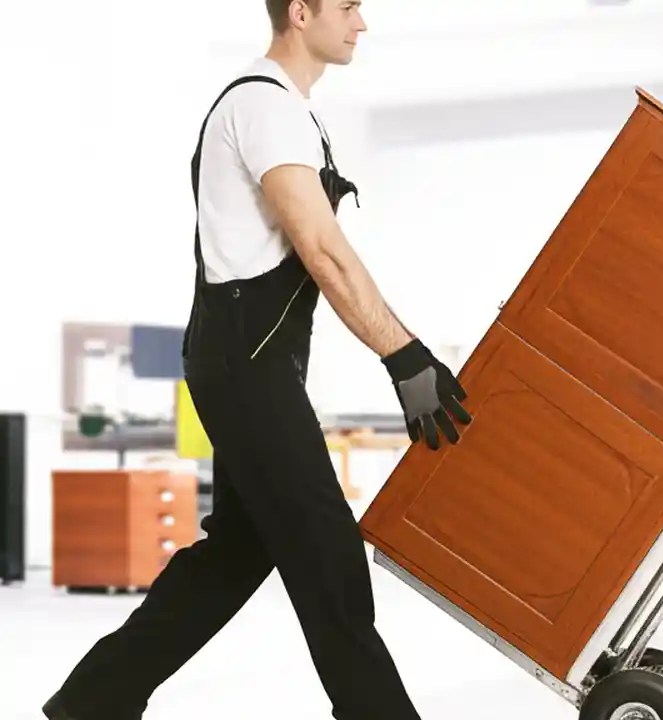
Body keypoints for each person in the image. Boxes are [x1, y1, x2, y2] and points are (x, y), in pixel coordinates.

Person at [42, 1, 471, 718]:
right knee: (327, 553)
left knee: (238, 551)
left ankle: (92, 701)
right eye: (348, 5)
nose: (361, 22)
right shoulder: (264, 107)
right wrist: (404, 357)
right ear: (300, 12)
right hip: (246, 365)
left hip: (247, 361)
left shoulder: (290, 112)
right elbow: (322, 249)